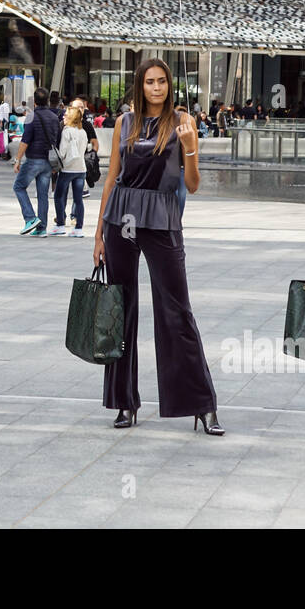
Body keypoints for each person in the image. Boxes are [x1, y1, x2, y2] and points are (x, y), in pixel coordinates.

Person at [93, 58, 221, 435]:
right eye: (149, 82)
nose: (156, 88)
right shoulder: (124, 123)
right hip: (122, 219)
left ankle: (202, 405)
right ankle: (124, 402)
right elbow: (112, 177)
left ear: (170, 85)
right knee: (121, 309)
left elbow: (193, 185)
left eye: (162, 81)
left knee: (177, 311)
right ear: (140, 85)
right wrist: (99, 233)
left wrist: (190, 147)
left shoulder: (183, 121)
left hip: (163, 219)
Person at [12, 87, 60, 237]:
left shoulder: (31, 117)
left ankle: (30, 218)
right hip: (48, 161)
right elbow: (57, 140)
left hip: (34, 159)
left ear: (35, 101)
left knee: (19, 186)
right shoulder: (54, 117)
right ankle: (42, 228)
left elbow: (25, 141)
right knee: (43, 195)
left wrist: (17, 159)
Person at [50, 105, 89, 236]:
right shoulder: (82, 132)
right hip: (81, 168)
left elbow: (62, 152)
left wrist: (55, 165)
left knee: (59, 196)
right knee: (78, 199)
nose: (63, 117)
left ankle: (60, 224)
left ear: (71, 117)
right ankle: (78, 228)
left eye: (66, 115)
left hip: (67, 169)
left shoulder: (67, 131)